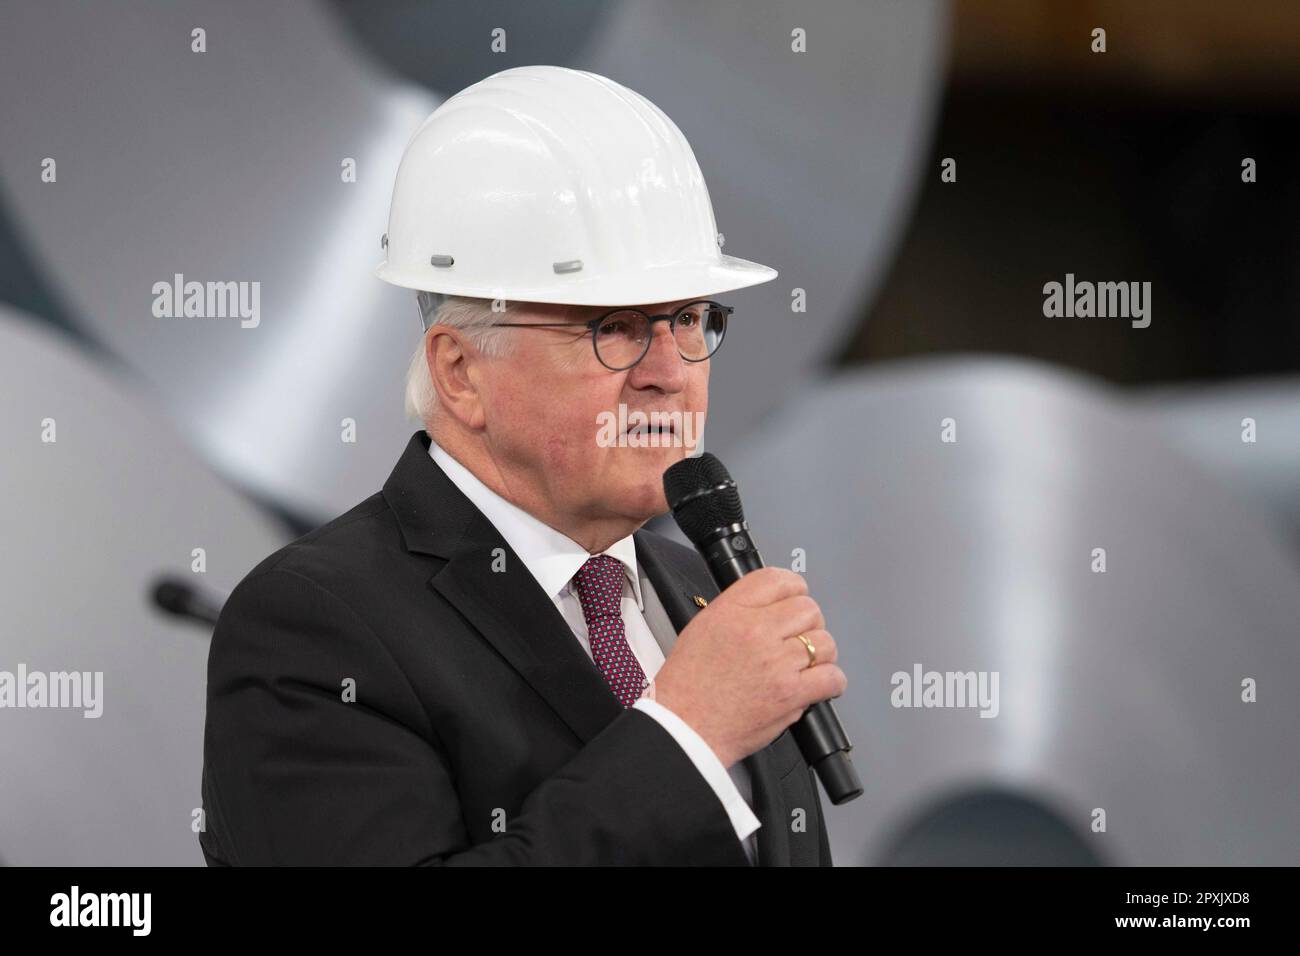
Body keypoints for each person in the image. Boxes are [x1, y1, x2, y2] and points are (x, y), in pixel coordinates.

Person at [199, 65, 847, 866]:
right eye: (613, 326)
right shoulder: (312, 625)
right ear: (462, 373)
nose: (670, 370)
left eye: (688, 318)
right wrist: (687, 735)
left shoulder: (703, 594)